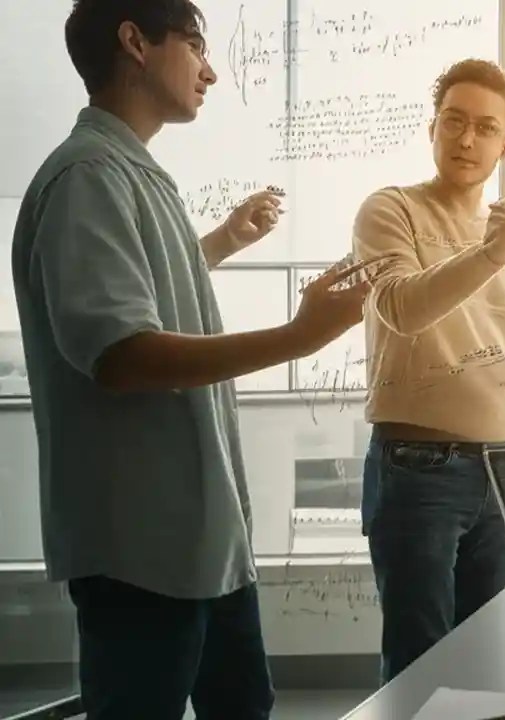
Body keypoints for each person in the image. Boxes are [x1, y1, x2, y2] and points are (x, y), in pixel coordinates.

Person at [10, 2, 377, 718]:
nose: (210, 71)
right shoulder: (87, 176)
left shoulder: (131, 173)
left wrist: (220, 242)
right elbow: (122, 353)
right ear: (134, 43)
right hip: (143, 555)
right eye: (196, 45)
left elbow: (140, 296)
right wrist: (299, 337)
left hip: (202, 544)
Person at [351, 58, 505, 683]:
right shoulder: (389, 209)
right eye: (454, 122)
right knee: (421, 664)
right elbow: (402, 307)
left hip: (503, 462)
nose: (467, 140)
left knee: (490, 658)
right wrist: (496, 248)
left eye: (485, 128)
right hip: (418, 464)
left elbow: (501, 338)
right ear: (433, 128)